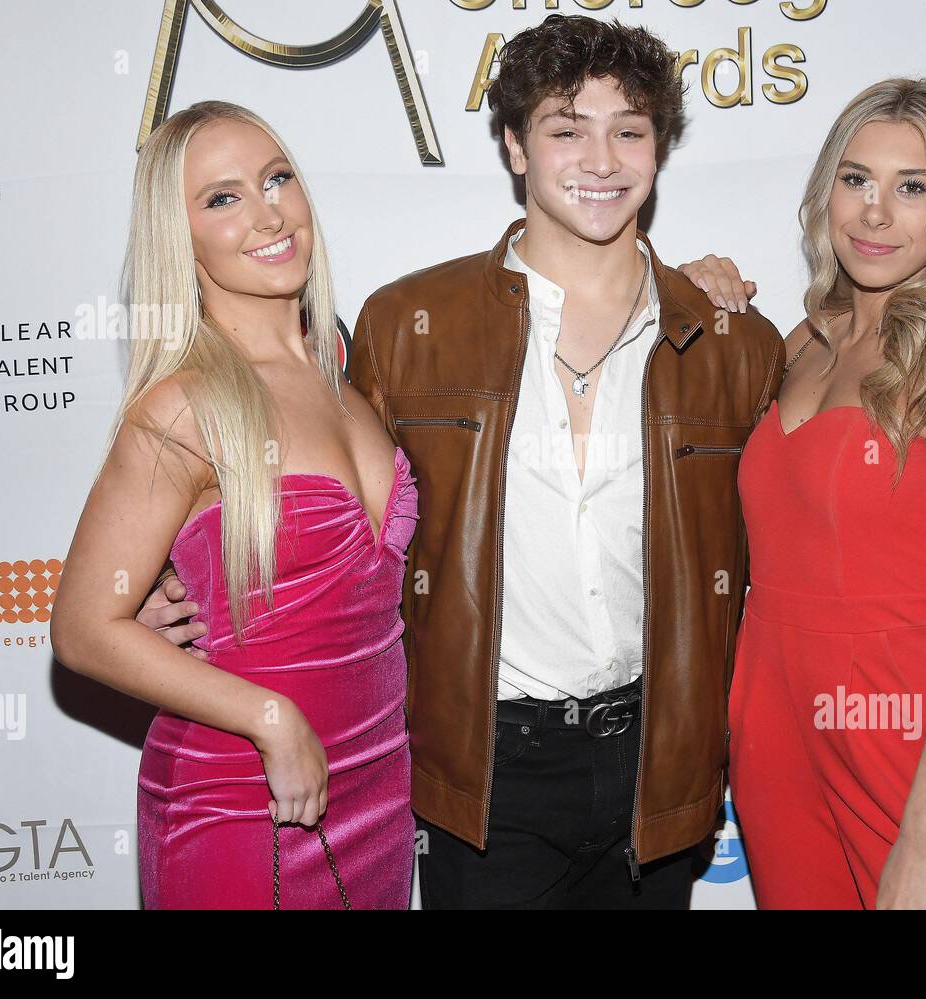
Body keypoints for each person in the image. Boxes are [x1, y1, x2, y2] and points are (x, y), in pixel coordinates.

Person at [144, 14, 786, 909]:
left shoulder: (730, 343)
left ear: (658, 149)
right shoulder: (409, 328)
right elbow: (325, 508)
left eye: (628, 130)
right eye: (566, 130)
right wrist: (167, 580)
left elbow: (796, 539)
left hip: (660, 767)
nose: (600, 159)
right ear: (517, 147)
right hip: (485, 775)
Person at [679, 78, 926, 908]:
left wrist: (924, 833)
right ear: (825, 192)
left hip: (909, 731)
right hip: (773, 722)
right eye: (856, 179)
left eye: (912, 188)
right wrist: (680, 288)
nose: (876, 214)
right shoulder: (803, 340)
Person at [50, 101, 416, 909]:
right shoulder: (185, 406)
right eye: (223, 198)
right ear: (177, 237)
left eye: (277, 178)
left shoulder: (346, 386)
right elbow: (83, 628)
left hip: (379, 788)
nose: (268, 212)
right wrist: (270, 717)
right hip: (238, 790)